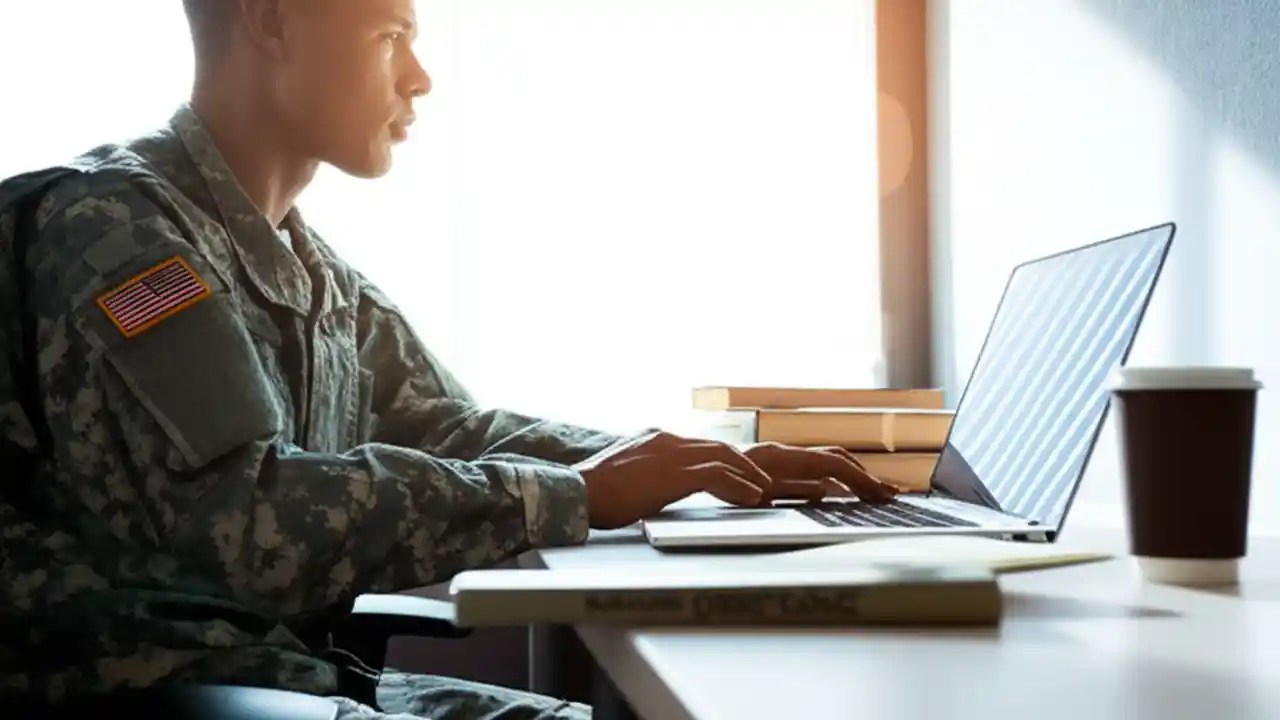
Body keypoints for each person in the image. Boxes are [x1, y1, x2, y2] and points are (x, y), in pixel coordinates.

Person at [0, 0, 896, 717]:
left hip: (277, 680)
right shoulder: (121, 236)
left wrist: (679, 465)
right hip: (146, 688)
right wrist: (578, 493)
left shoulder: (310, 273)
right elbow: (246, 524)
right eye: (390, 33)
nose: (419, 77)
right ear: (270, 20)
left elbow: (447, 427)